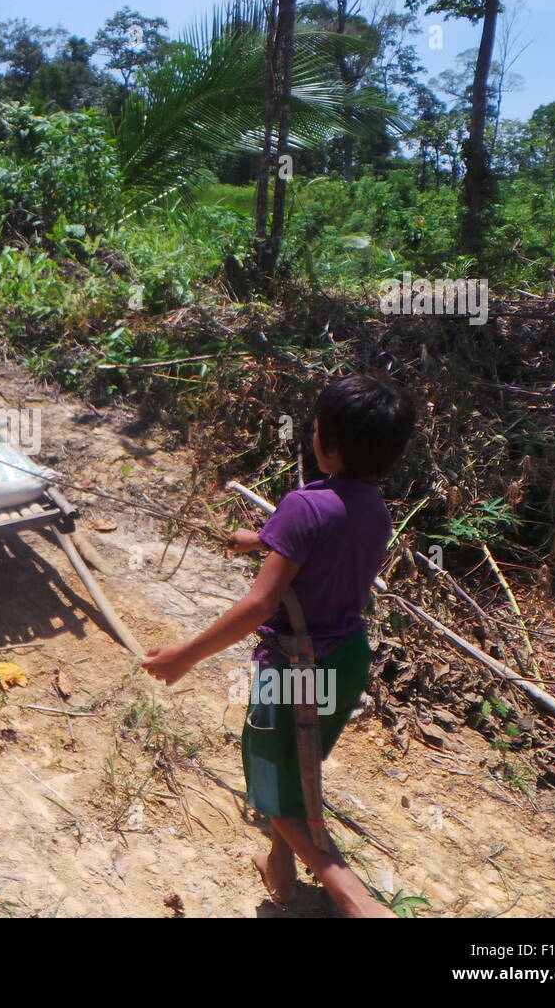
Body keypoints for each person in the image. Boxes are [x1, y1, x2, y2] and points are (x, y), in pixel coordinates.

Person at [141, 374, 416, 918]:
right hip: (345, 661)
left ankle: (354, 901)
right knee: (296, 772)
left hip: (295, 667)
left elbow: (262, 604)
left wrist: (183, 656)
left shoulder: (303, 505)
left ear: (327, 443)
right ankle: (282, 871)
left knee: (271, 786)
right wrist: (263, 539)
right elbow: (325, 554)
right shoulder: (376, 511)